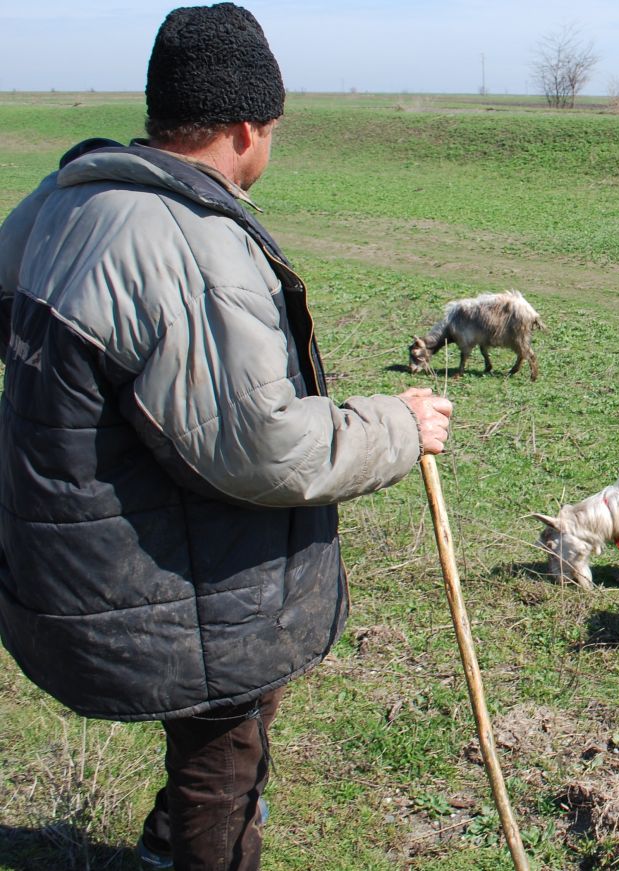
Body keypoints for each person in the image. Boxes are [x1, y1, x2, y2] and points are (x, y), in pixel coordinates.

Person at [0, 4, 453, 868]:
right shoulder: (187, 242)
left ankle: (166, 848)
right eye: (273, 129)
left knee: (226, 727)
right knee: (225, 753)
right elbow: (262, 446)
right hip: (164, 581)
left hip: (74, 556)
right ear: (247, 128)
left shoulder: (71, 200)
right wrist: (399, 423)